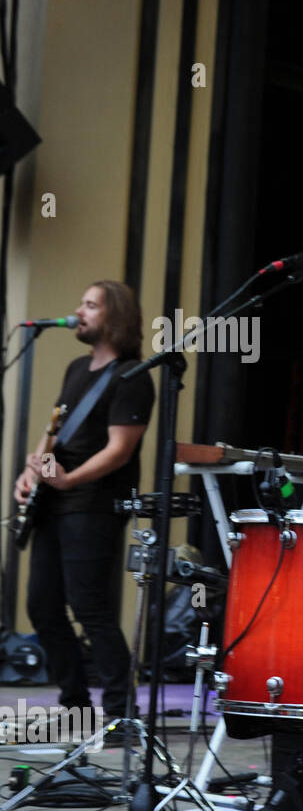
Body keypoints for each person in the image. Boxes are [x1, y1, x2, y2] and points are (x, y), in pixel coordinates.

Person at [14, 281, 154, 723]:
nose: (79, 312)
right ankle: (74, 705)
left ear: (114, 317)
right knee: (41, 605)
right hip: (53, 503)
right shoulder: (77, 368)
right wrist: (32, 471)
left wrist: (70, 477)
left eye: (90, 305)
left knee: (89, 606)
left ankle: (120, 711)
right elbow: (55, 429)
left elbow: (120, 450)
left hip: (92, 504)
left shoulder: (133, 376)